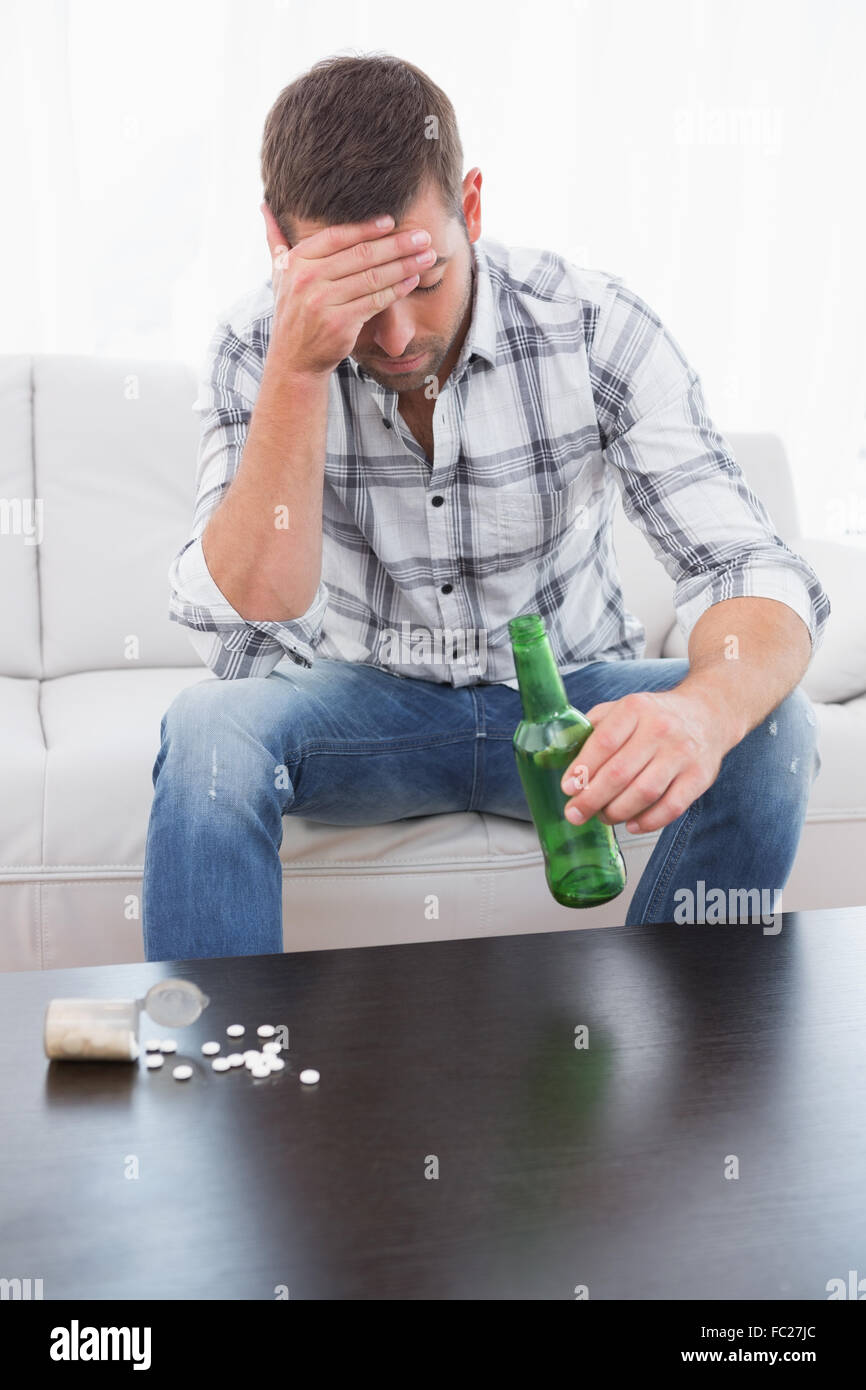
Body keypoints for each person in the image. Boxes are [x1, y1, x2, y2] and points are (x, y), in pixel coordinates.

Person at [142, 53, 829, 961]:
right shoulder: (254, 347)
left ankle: (671, 1062)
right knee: (205, 733)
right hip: (365, 709)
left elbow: (746, 566)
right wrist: (302, 370)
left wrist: (702, 714)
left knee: (773, 724)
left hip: (566, 707)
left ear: (469, 207)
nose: (392, 338)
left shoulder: (591, 327)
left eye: (421, 282)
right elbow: (256, 602)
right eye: (357, 297)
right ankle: (221, 1082)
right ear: (278, 239)